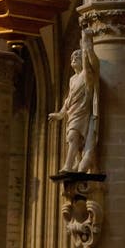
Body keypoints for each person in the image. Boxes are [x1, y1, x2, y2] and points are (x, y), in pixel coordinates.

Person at [49, 29, 100, 173]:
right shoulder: (72, 79)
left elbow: (88, 63)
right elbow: (68, 99)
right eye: (72, 57)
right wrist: (59, 114)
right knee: (76, 142)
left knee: (73, 136)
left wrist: (85, 44)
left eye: (76, 57)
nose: (73, 59)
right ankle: (79, 163)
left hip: (83, 111)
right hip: (73, 112)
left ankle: (68, 165)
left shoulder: (86, 75)